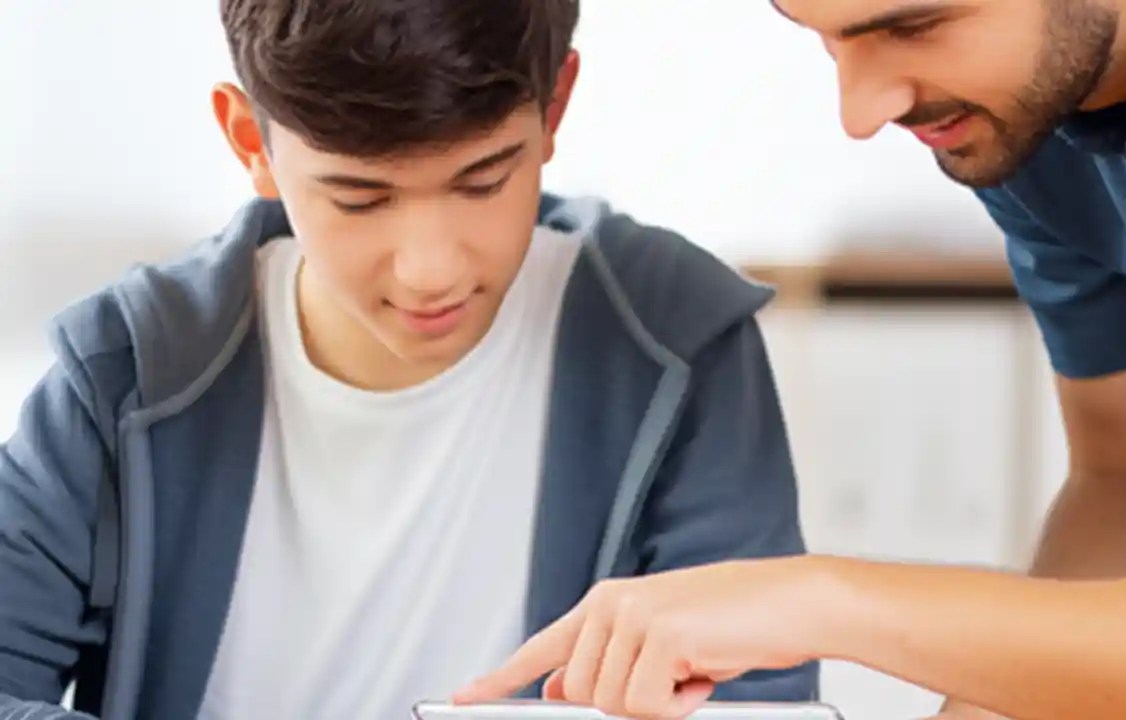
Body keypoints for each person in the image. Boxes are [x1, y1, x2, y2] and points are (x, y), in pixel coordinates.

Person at [455, 0, 1126, 718]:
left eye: (915, 24)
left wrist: (822, 602)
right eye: (827, 38)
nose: (861, 110)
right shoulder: (1025, 117)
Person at [0, 1, 819, 718]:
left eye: (483, 182)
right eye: (359, 199)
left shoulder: (681, 343)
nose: (431, 270)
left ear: (556, 106)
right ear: (252, 140)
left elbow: (751, 706)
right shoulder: (125, 369)